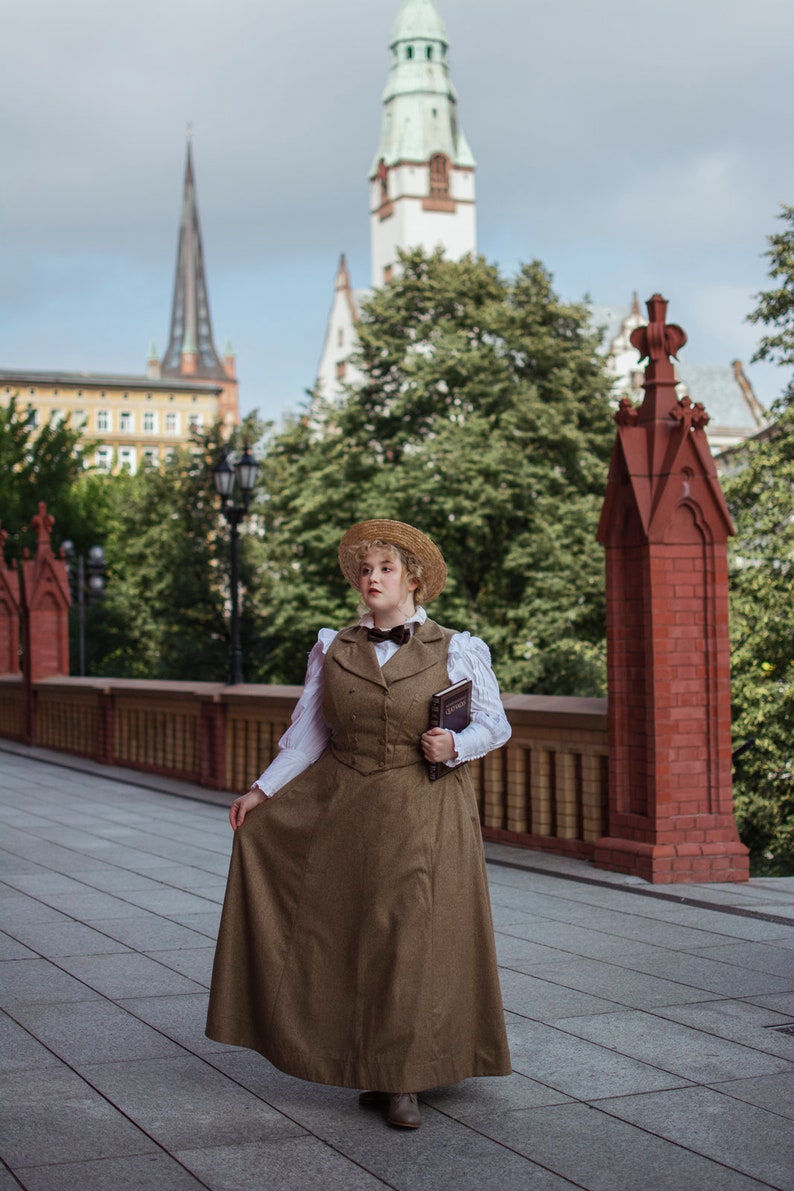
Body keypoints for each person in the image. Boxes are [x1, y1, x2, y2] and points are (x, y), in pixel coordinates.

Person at [206, 519, 512, 1130]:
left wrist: (454, 744)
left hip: (426, 810)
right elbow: (308, 733)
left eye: (385, 569)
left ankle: (403, 1079)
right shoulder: (333, 647)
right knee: (355, 936)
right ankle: (365, 1061)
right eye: (365, 571)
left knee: (409, 938)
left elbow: (494, 725)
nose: (372, 579)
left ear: (413, 580)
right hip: (346, 809)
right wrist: (262, 791)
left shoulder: (457, 648)